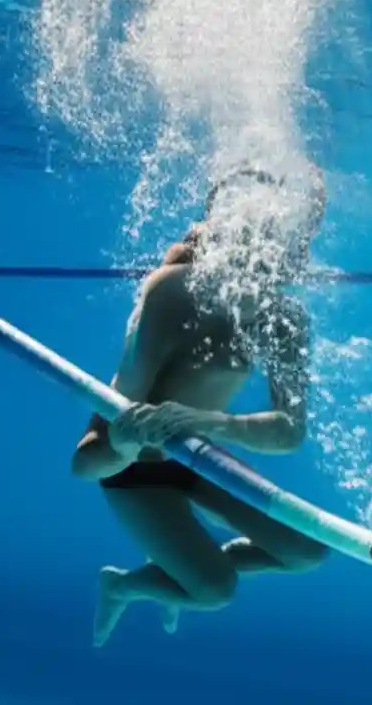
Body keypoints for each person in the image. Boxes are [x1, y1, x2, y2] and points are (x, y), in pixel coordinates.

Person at [71, 164, 330, 647]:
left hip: (198, 458)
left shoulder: (284, 319)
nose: (276, 265)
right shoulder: (172, 291)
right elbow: (86, 461)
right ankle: (126, 586)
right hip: (135, 467)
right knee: (215, 590)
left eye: (290, 249)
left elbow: (290, 432)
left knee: (308, 551)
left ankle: (177, 573)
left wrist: (208, 422)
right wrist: (125, 442)